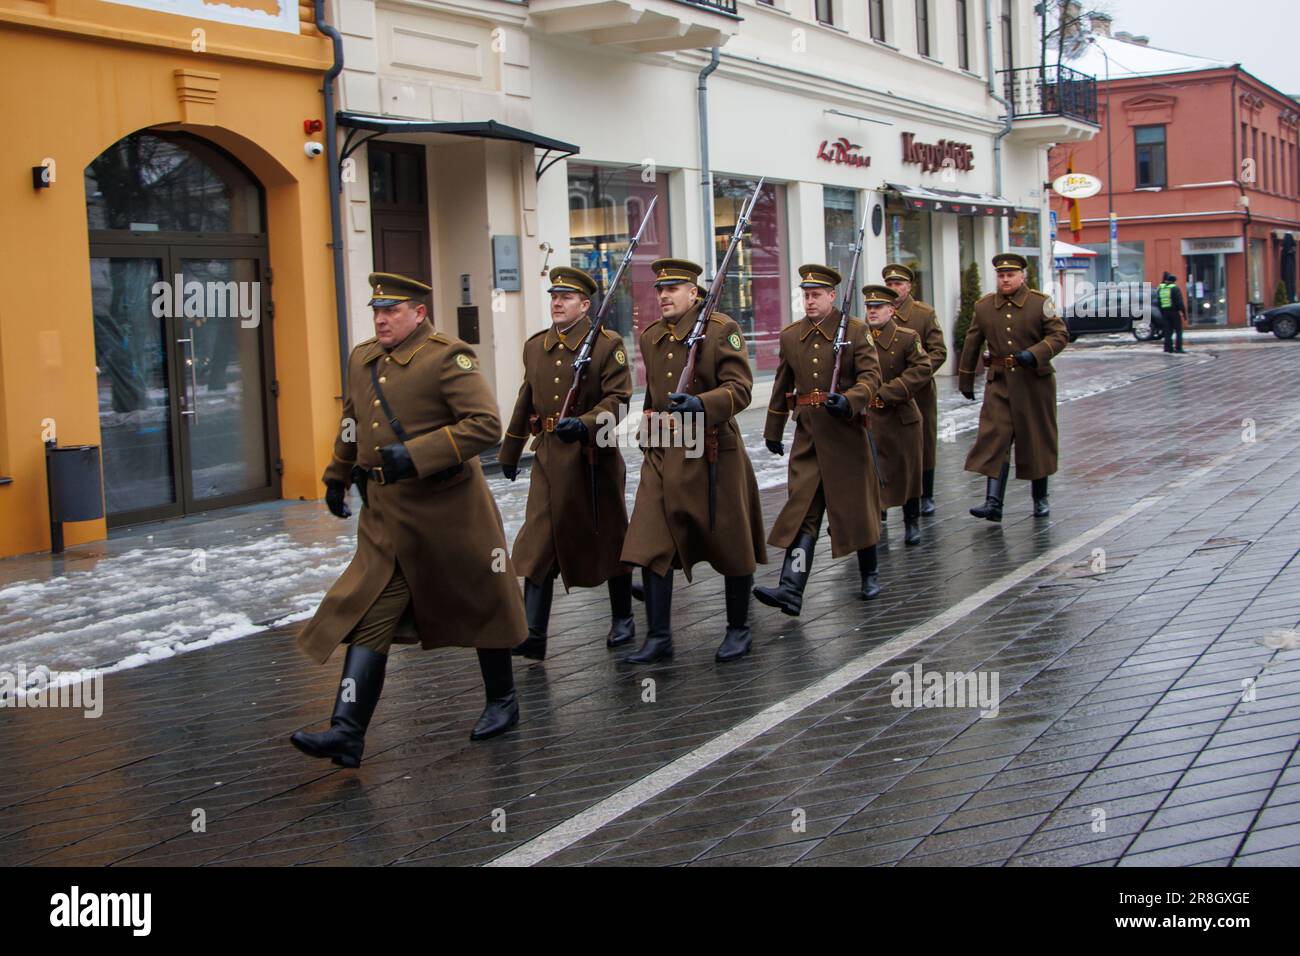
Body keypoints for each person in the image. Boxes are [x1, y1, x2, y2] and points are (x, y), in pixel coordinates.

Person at [290, 272, 527, 765]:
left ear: (419, 314)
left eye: (392, 311)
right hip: (387, 518)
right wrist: (337, 473)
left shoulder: (448, 357)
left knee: (483, 601)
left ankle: (503, 701)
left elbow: (485, 425)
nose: (380, 319)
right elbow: (353, 420)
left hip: (450, 511)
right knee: (368, 614)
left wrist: (416, 454)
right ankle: (346, 730)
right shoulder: (363, 358)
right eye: (376, 310)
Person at [620, 258, 767, 663]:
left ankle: (739, 628)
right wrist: (647, 437)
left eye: (673, 289)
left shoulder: (722, 331)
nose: (664, 296)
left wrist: (702, 404)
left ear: (694, 293)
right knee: (650, 540)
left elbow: (741, 390)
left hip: (713, 448)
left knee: (730, 539)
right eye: (659, 290)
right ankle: (659, 636)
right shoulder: (651, 337)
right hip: (664, 451)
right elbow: (652, 399)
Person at [498, 267, 635, 661]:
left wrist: (588, 424)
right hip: (548, 456)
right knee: (539, 541)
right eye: (554, 296)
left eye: (567, 297)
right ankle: (533, 632)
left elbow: (618, 398)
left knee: (608, 538)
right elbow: (527, 397)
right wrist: (511, 450)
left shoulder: (607, 345)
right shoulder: (536, 346)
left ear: (585, 305)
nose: (557, 303)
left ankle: (623, 616)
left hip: (594, 457)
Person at [754, 264, 884, 616]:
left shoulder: (856, 331)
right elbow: (782, 385)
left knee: (857, 510)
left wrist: (852, 400)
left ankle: (869, 573)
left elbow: (872, 377)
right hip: (809, 438)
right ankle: (791, 589)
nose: (809, 301)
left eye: (816, 295)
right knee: (803, 514)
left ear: (832, 296)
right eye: (806, 295)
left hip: (846, 435)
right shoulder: (791, 335)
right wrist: (773, 430)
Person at [958, 254, 1069, 522]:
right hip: (1000, 383)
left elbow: (1059, 334)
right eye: (1001, 275)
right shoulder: (984, 306)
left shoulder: (1041, 303)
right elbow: (972, 342)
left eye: (1011, 275)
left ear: (1022, 277)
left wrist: (1036, 353)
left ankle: (1040, 498)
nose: (1005, 280)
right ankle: (993, 502)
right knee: (995, 437)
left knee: (1036, 440)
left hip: (1035, 382)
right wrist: (966, 380)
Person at [862, 284, 931, 546]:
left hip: (901, 417)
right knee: (873, 472)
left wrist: (887, 393)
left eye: (878, 307)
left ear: (892, 310)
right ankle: (877, 521)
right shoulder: (859, 337)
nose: (872, 311)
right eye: (869, 307)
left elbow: (921, 369)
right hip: (869, 418)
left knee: (908, 473)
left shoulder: (907, 336)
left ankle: (911, 522)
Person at [883, 263, 947, 515]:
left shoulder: (924, 313)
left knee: (923, 442)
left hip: (917, 391)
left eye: (898, 284)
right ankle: (885, 496)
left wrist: (914, 376)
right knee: (885, 443)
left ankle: (925, 494)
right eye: (889, 284)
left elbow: (938, 352)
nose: (893, 288)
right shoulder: (877, 312)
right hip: (886, 392)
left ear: (909, 287)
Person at [1157, 272, 1187, 353]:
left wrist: (1162, 312)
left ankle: (1167, 348)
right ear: (1173, 281)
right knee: (1178, 331)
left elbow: (1158, 302)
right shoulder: (1175, 288)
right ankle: (1178, 348)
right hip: (1174, 312)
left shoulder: (1161, 289)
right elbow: (1179, 303)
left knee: (1167, 331)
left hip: (1165, 312)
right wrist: (1184, 313)